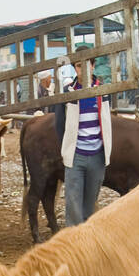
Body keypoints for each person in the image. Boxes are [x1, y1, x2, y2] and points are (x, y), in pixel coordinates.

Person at [54, 55, 111, 226]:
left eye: (87, 65)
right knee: (73, 205)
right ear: (74, 68)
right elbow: (59, 124)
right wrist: (66, 150)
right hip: (76, 155)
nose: (83, 70)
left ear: (93, 66)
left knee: (89, 205)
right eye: (79, 66)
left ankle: (85, 244)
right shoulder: (68, 92)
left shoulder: (103, 90)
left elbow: (107, 119)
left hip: (97, 155)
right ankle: (73, 244)